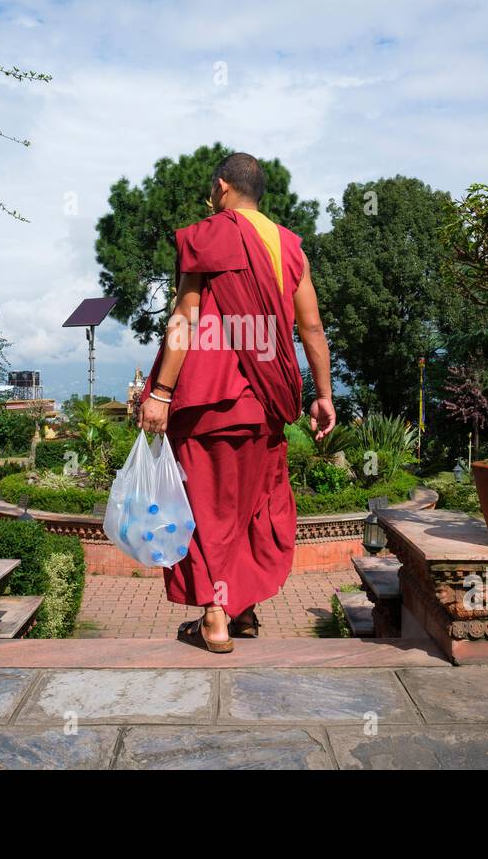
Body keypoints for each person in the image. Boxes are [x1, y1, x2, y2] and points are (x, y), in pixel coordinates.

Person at [138, 152, 335, 653]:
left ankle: (215, 617)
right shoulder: (289, 247)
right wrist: (324, 395)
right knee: (251, 507)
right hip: (268, 405)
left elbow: (185, 316)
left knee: (205, 508)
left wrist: (160, 392)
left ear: (222, 188)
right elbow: (311, 327)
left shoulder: (210, 235)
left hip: (208, 402)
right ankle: (243, 609)